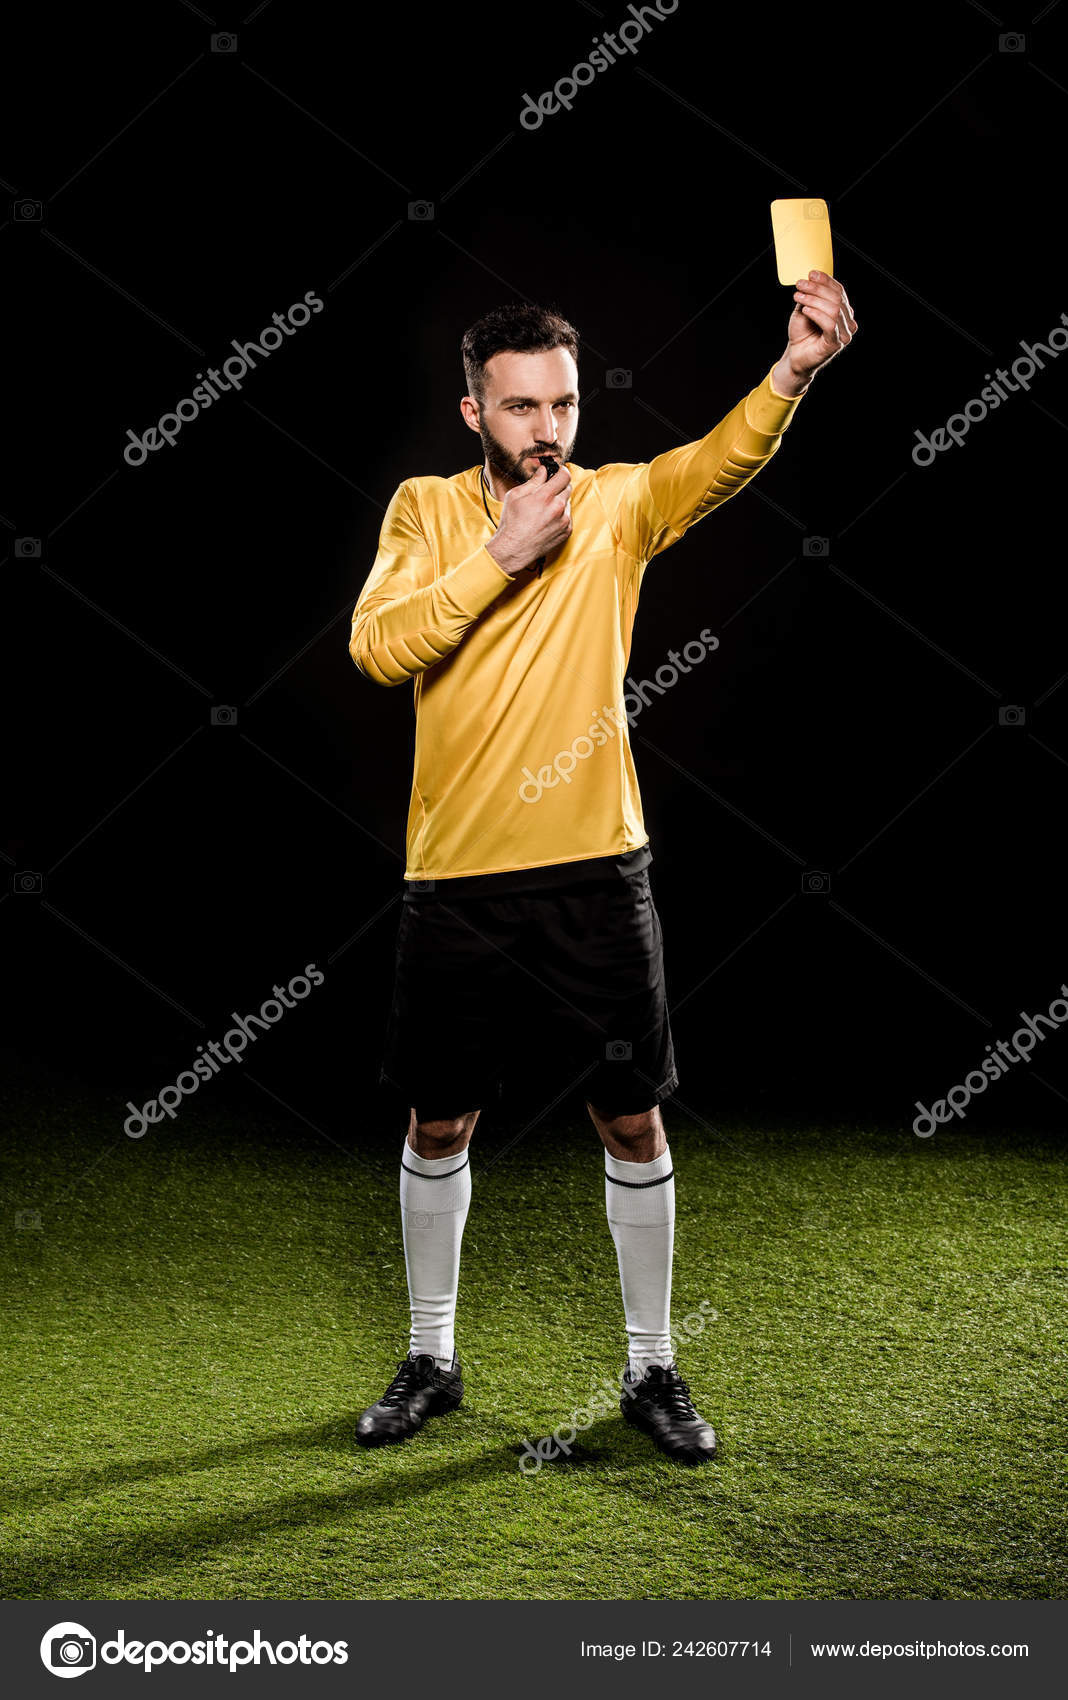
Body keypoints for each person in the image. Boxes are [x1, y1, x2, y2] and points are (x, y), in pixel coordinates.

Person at [347, 276, 857, 1462]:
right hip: (455, 879)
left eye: (564, 404)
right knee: (439, 1118)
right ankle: (432, 1355)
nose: (547, 429)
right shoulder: (424, 510)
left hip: (596, 872)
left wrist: (793, 371)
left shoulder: (618, 503)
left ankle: (652, 1366)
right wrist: (499, 556)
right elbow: (377, 647)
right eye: (521, 406)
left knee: (633, 1120)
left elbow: (717, 463)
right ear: (474, 412)